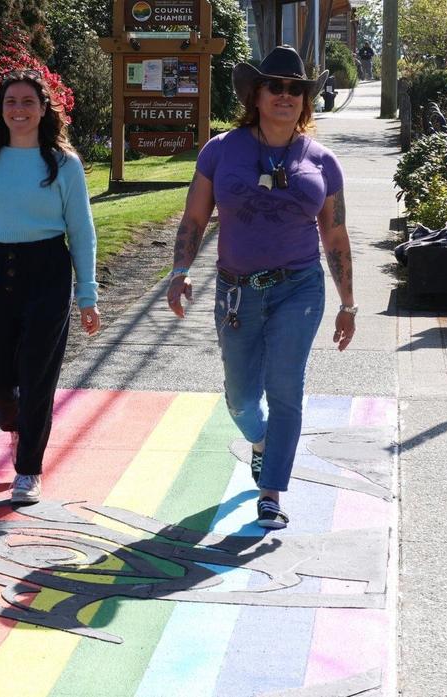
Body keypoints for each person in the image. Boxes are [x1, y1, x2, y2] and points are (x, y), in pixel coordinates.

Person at [166, 45, 356, 529]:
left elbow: (335, 236)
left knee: (286, 386)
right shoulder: (221, 150)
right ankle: (261, 440)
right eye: (276, 86)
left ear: (305, 100)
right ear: (256, 94)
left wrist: (348, 304)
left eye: (296, 89)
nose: (285, 95)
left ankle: (271, 492)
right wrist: (180, 270)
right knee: (241, 398)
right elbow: (194, 217)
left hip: (299, 288)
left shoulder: (322, 161)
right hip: (236, 292)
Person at [0, 69, 100, 505]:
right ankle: (15, 425)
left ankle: (29, 469)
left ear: (44, 108)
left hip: (48, 272)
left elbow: (81, 232)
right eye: (10, 101)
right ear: (0, 109)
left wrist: (87, 295)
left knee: (36, 377)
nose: (19, 109)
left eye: (28, 101)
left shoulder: (63, 164)